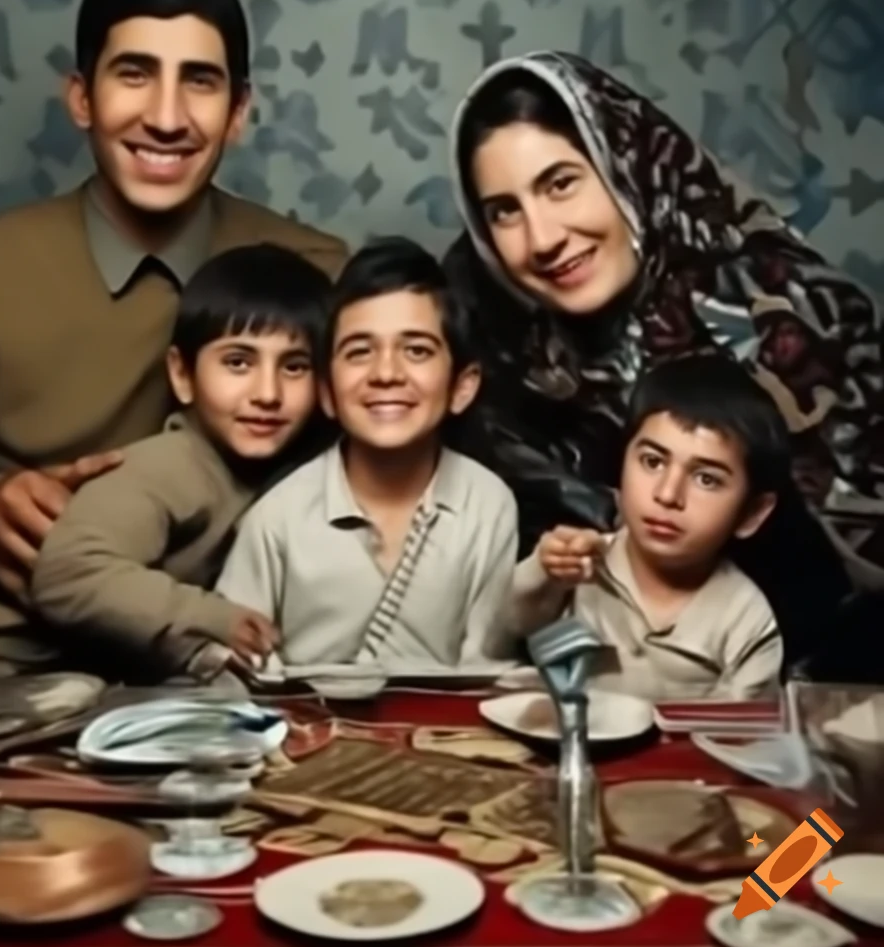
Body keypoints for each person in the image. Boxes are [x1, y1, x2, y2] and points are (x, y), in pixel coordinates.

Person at [0, 0, 347, 717]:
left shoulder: (315, 273)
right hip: (19, 697)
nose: (165, 115)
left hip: (250, 688)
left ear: (241, 109)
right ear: (82, 97)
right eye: (133, 74)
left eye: (200, 80)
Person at [445, 50, 876, 675]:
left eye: (561, 183)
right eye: (504, 211)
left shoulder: (786, 310)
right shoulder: (497, 340)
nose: (541, 239)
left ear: (629, 167)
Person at [5, 245, 329, 683]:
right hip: (41, 687)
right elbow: (68, 573)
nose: (267, 392)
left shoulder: (301, 476)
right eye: (238, 362)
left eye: (294, 367)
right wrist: (209, 616)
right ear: (182, 375)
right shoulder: (165, 467)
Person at [215, 238, 518, 668]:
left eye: (416, 351)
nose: (386, 374)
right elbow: (239, 668)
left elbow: (486, 662)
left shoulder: (488, 505)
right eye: (359, 352)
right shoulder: (277, 517)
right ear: (326, 392)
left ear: (462, 386)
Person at [512, 355, 786, 701]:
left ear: (752, 513)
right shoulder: (580, 565)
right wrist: (543, 573)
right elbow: (501, 633)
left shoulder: (746, 619)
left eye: (706, 479)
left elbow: (747, 739)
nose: (668, 494)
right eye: (652, 462)